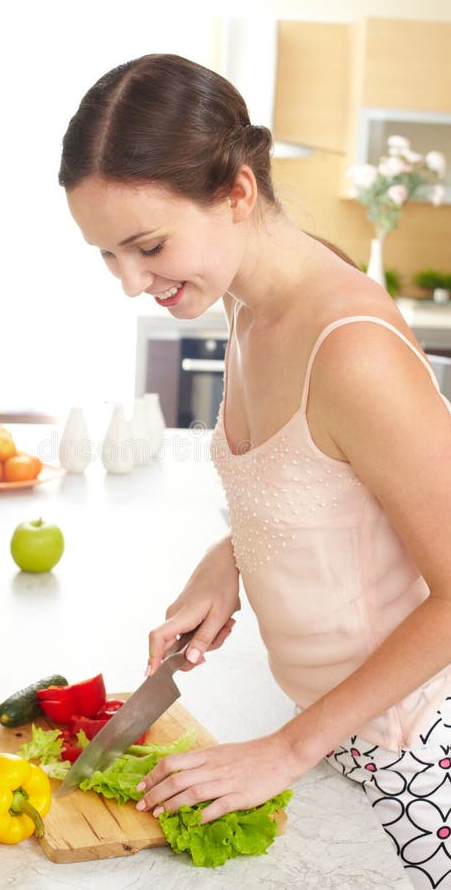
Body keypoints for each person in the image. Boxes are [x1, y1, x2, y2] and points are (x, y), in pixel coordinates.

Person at [59, 54, 451, 888]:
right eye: (107, 256)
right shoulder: (246, 303)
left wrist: (287, 747)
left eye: (148, 245)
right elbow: (321, 481)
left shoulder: (351, 351)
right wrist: (231, 558)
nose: (131, 283)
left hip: (420, 751)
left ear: (237, 194)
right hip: (343, 732)